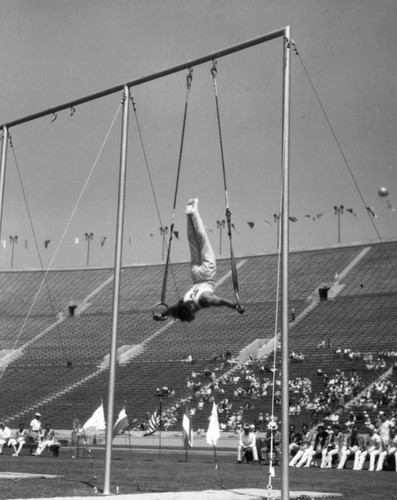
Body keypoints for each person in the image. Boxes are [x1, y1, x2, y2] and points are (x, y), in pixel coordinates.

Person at [154, 199, 245, 322]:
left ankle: (194, 212)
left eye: (192, 311)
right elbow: (173, 309)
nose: (194, 311)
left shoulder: (204, 300)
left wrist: (236, 306)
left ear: (190, 308)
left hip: (207, 274)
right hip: (195, 275)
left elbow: (221, 301)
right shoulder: (184, 301)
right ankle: (188, 213)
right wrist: (162, 315)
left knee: (203, 241)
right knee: (193, 241)